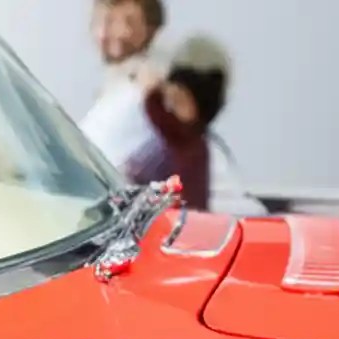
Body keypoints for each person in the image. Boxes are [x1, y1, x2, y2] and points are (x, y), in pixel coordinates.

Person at [125, 36, 231, 210]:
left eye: (178, 101)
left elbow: (158, 115)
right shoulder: (188, 143)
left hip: (186, 222)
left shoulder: (187, 140)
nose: (171, 109)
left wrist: (151, 91)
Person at [78, 0, 168, 168]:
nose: (118, 33)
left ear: (151, 29)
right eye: (104, 21)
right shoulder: (114, 91)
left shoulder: (143, 92)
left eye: (130, 21)